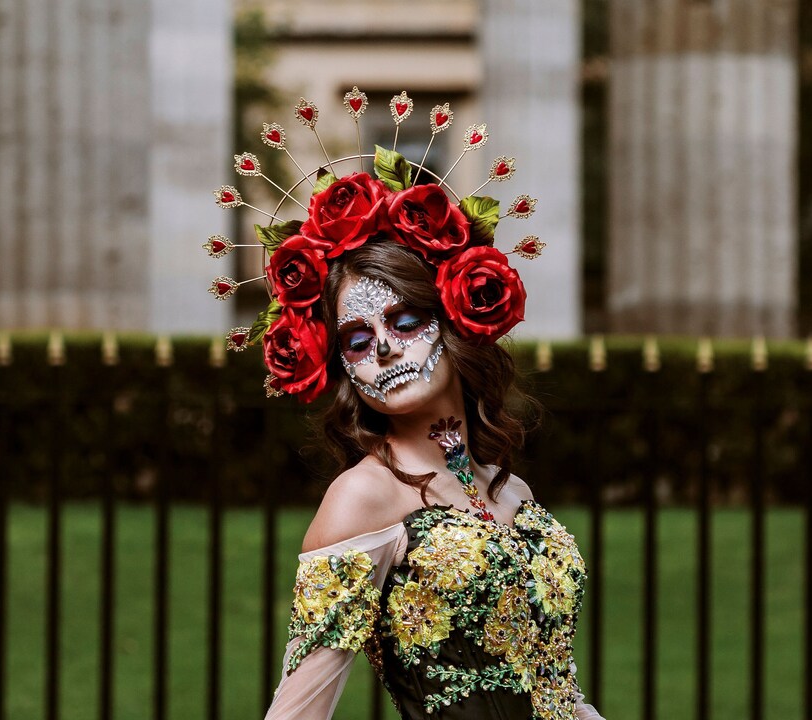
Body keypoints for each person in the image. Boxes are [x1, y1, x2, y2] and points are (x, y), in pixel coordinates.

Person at [210, 91, 605, 719]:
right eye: (358, 340)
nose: (386, 349)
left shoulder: (512, 493)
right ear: (340, 364)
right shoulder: (362, 498)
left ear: (450, 320)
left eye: (405, 320)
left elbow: (557, 693)